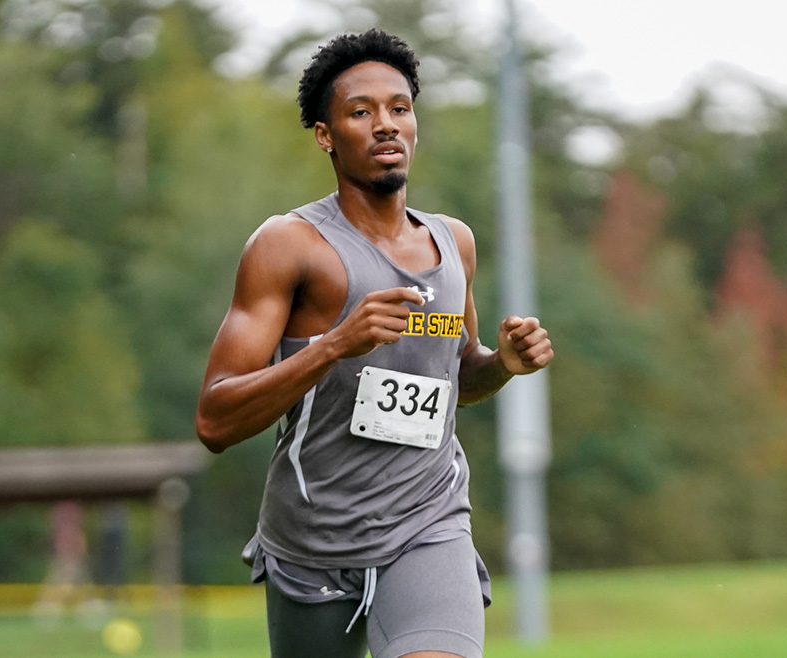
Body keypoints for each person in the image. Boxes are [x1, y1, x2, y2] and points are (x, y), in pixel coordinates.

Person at [196, 29, 554, 658]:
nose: (386, 124)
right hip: (314, 539)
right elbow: (215, 419)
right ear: (326, 136)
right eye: (361, 112)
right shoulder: (289, 246)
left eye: (400, 108)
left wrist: (502, 366)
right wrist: (334, 345)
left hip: (428, 522)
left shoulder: (454, 245)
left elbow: (455, 379)